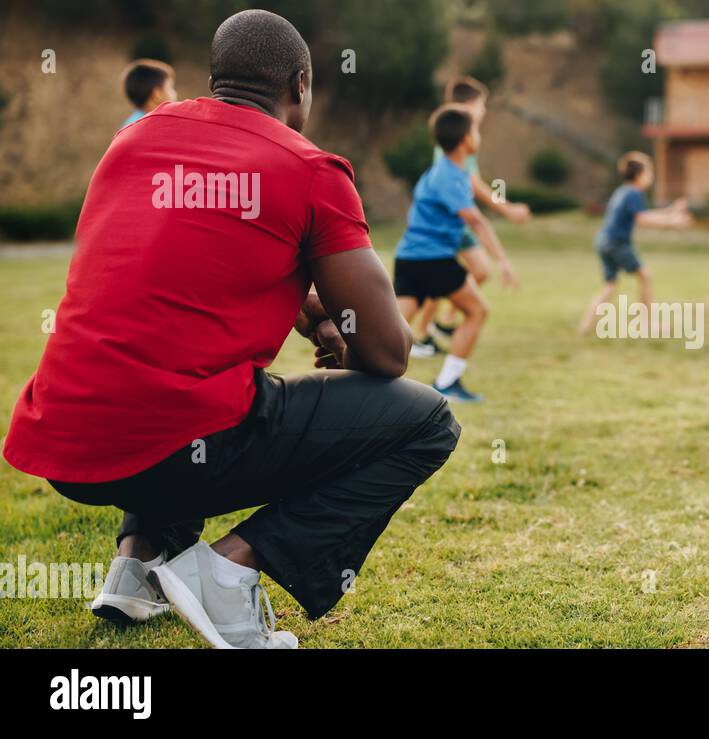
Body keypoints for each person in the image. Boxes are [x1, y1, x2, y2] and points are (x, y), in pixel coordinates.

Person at [2, 9, 460, 649]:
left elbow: (174, 274)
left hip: (68, 443)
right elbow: (388, 351)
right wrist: (337, 340)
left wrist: (304, 305)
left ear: (215, 80)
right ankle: (225, 571)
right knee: (428, 421)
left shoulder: (132, 142)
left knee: (186, 370)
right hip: (172, 435)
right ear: (301, 85)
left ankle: (136, 563)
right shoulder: (309, 169)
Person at [393, 104, 512, 403]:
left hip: (410, 258)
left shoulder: (442, 172)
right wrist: (503, 261)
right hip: (433, 260)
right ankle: (447, 383)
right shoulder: (451, 176)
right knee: (477, 312)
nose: (478, 136)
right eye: (475, 130)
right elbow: (477, 221)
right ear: (465, 140)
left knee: (393, 327)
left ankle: (357, 377)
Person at [410, 76, 528, 359]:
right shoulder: (459, 140)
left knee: (478, 272)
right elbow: (475, 186)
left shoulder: (462, 136)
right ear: (469, 105)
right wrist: (507, 208)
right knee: (444, 278)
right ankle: (423, 334)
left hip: (456, 220)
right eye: (482, 104)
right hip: (450, 221)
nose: (484, 111)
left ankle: (438, 325)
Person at [577, 151, 691, 335]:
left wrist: (670, 211)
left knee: (610, 285)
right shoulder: (634, 193)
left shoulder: (623, 192)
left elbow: (644, 214)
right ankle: (645, 324)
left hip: (603, 240)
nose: (651, 177)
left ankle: (585, 325)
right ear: (639, 175)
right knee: (645, 276)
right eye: (649, 172)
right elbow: (643, 219)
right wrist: (672, 221)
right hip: (617, 242)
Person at [120, 59, 177, 129]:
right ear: (157, 94)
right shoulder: (156, 125)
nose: (175, 93)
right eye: (170, 88)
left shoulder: (130, 125)